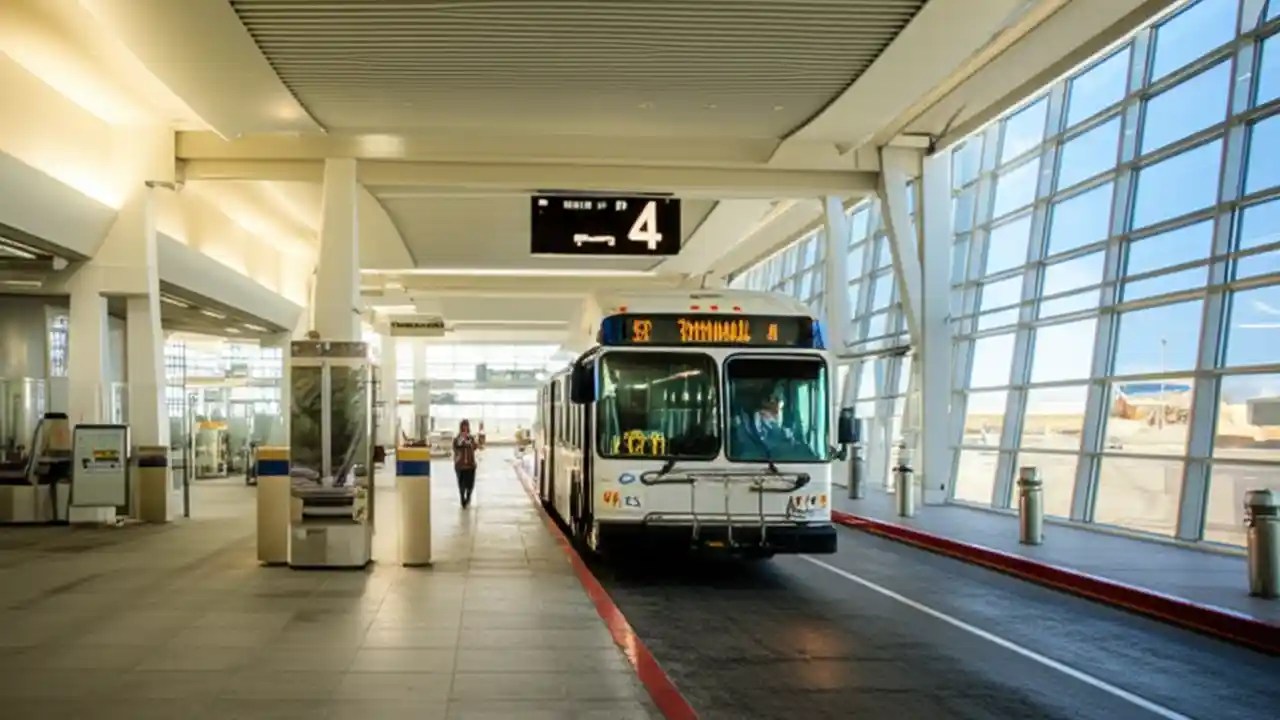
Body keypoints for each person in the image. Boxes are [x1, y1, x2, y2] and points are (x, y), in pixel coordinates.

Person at [453, 419, 478, 508]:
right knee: (461, 484)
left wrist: (469, 440)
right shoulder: (457, 439)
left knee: (470, 485)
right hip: (460, 466)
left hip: (471, 465)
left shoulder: (471, 438)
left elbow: (475, 446)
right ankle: (462, 499)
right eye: (463, 427)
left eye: (466, 427)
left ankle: (468, 496)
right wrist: (462, 438)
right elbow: (456, 447)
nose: (465, 429)